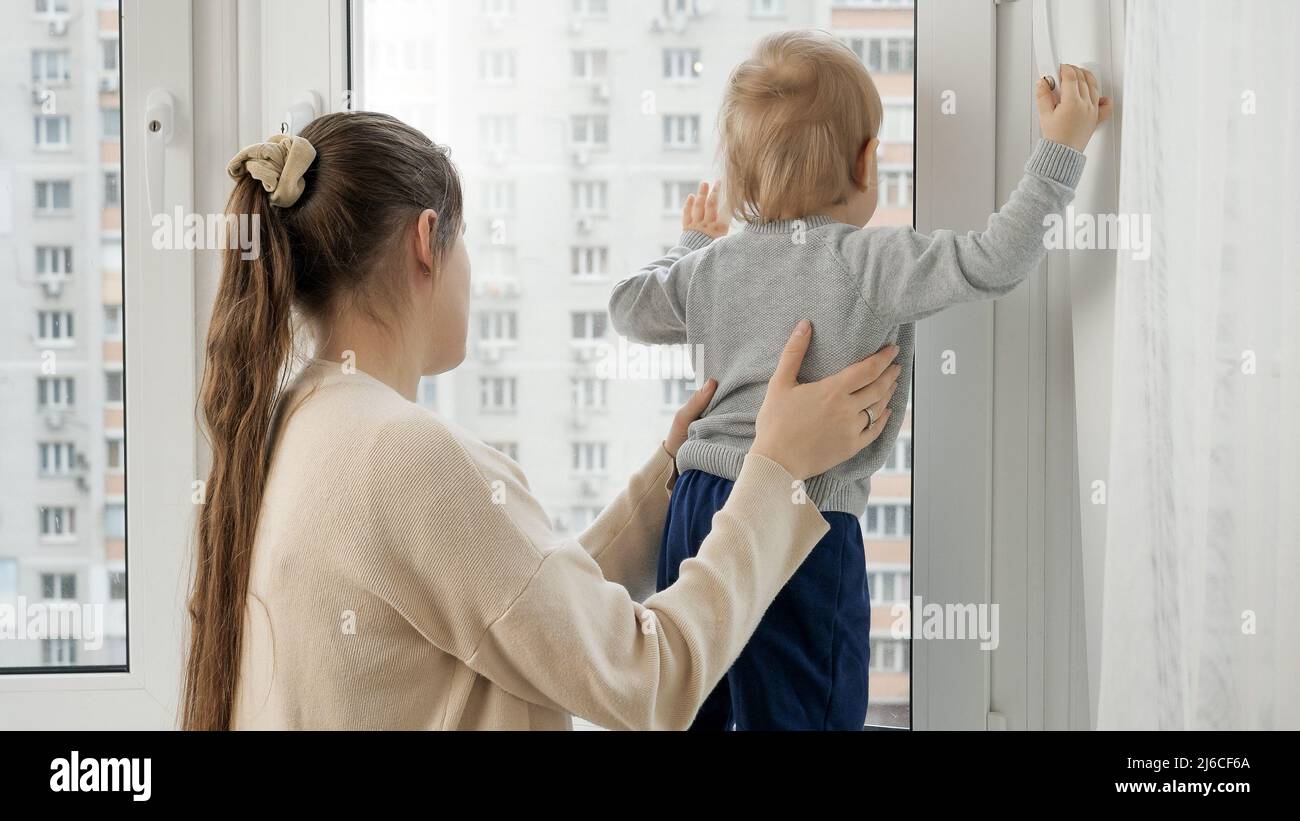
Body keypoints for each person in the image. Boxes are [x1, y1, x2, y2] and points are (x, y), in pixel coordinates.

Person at [182, 110, 901, 730]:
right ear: (427, 241)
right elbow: (651, 679)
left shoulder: (300, 423)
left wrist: (669, 480)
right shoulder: (402, 454)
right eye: (465, 245)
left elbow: (521, 613)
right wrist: (772, 473)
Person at [608, 31, 1109, 729]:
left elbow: (626, 305)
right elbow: (995, 260)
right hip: (798, 517)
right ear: (868, 160)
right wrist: (1061, 151)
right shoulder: (865, 260)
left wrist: (692, 245)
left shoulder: (714, 267)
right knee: (805, 713)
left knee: (697, 704)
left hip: (694, 507)